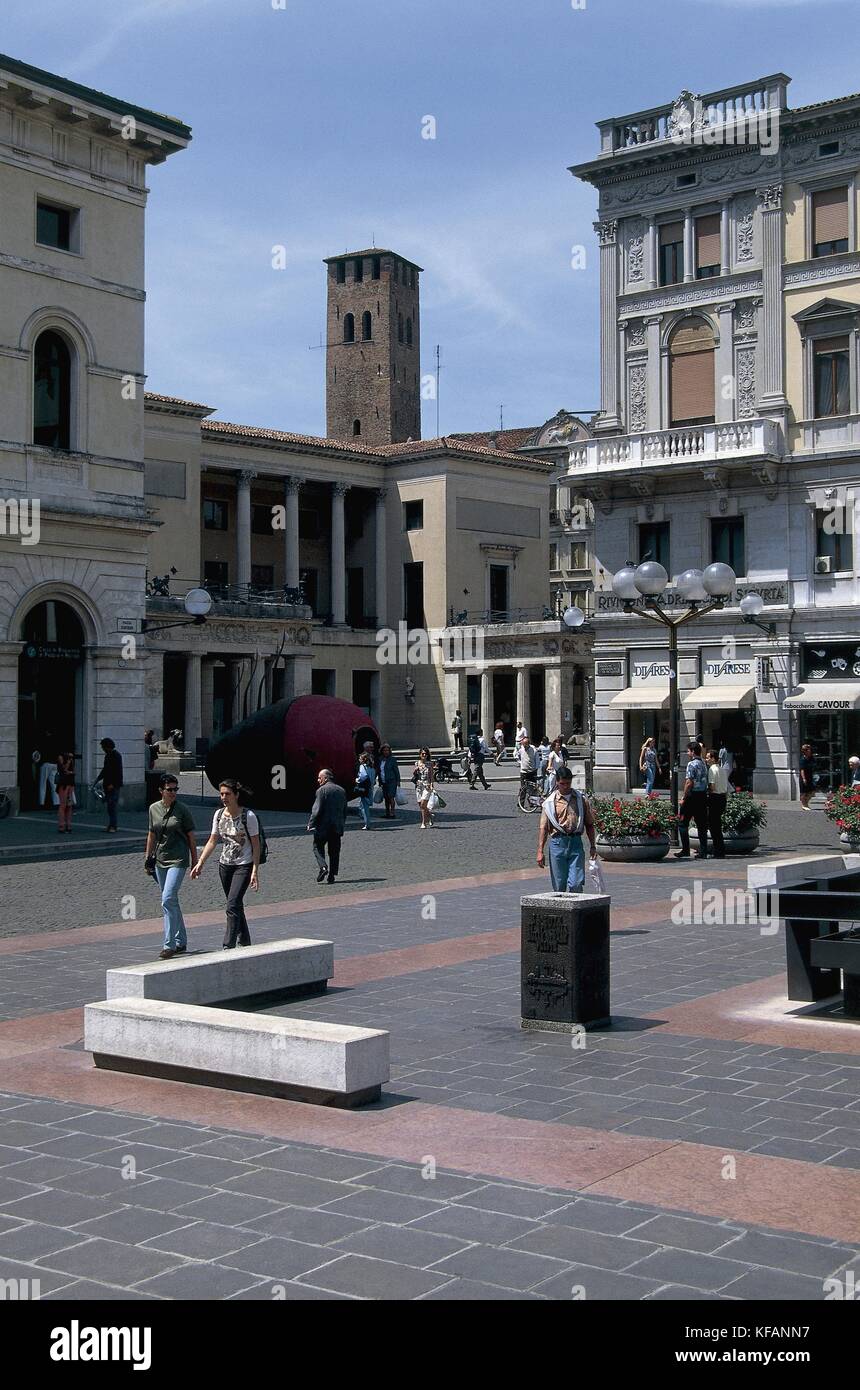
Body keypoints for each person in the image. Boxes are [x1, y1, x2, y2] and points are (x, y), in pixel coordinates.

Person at [191, 780, 260, 948]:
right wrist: (200, 862)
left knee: (232, 904)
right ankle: (245, 940)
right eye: (221, 794)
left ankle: (228, 944)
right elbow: (213, 840)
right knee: (235, 903)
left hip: (243, 864)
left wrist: (255, 871)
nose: (224, 797)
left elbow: (256, 845)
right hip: (225, 866)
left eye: (227, 794)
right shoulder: (219, 815)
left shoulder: (248, 816)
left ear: (236, 795)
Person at [145, 774, 198, 959]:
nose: (174, 792)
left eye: (176, 789)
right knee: (171, 900)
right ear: (161, 791)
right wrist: (148, 858)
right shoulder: (154, 809)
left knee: (167, 899)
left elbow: (191, 836)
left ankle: (169, 945)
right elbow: (151, 834)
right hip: (160, 860)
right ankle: (181, 940)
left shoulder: (183, 810)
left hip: (178, 859)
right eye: (170, 789)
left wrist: (195, 860)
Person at [536, 766, 598, 893]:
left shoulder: (580, 799)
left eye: (568, 783)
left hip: (576, 843)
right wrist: (540, 851)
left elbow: (589, 824)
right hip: (557, 843)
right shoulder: (550, 803)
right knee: (559, 885)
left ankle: (577, 912)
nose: (565, 786)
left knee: (576, 883)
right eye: (562, 783)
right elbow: (543, 827)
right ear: (557, 782)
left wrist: (592, 846)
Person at [307, 768, 346, 883]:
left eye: (320, 777)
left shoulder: (321, 791)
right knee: (334, 851)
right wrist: (341, 823)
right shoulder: (341, 790)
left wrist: (311, 824)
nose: (318, 780)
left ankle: (323, 867)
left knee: (317, 847)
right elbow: (344, 810)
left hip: (323, 827)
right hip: (336, 826)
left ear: (326, 778)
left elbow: (316, 809)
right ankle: (332, 875)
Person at [676, 741, 709, 859]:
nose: (687, 753)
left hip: (692, 796)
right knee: (701, 824)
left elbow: (689, 782)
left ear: (693, 751)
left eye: (688, 751)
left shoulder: (691, 764)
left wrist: (684, 797)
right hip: (702, 796)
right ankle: (704, 851)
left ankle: (685, 849)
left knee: (682, 823)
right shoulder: (704, 763)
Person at [94, 737, 124, 833]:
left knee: (112, 806)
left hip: (113, 785)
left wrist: (113, 784)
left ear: (107, 746)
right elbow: (105, 770)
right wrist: (98, 778)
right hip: (107, 783)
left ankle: (113, 826)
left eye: (103, 747)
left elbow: (118, 772)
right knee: (110, 806)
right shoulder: (108, 756)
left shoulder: (116, 755)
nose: (102, 749)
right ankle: (111, 825)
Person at [705, 748, 727, 859]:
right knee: (717, 826)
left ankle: (718, 851)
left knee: (714, 827)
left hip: (715, 798)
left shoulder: (712, 769)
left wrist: (707, 790)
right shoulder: (722, 769)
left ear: (713, 758)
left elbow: (712, 786)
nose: (706, 759)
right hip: (723, 798)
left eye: (708, 757)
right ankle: (720, 850)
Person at [413, 746, 435, 828]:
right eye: (422, 754)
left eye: (425, 754)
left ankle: (423, 823)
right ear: (420, 754)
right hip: (419, 785)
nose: (424, 755)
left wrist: (432, 784)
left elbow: (431, 776)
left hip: (427, 785)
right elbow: (415, 775)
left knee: (423, 803)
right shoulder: (417, 763)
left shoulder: (430, 764)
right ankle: (430, 815)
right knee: (421, 805)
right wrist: (415, 770)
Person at [377, 743, 400, 818]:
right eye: (384, 750)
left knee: (391, 797)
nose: (386, 752)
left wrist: (398, 781)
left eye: (387, 750)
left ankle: (392, 812)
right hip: (383, 781)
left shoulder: (392, 759)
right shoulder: (380, 759)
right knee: (386, 797)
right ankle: (387, 812)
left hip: (391, 781)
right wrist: (380, 781)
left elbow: (396, 771)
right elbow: (379, 770)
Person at [55, 751, 76, 833]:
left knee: (69, 805)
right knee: (63, 804)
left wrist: (70, 771)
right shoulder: (61, 758)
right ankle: (61, 825)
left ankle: (69, 824)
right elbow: (63, 770)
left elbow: (73, 772)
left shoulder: (71, 760)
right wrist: (68, 762)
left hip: (70, 783)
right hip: (63, 783)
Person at [355, 751, 376, 829]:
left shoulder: (362, 767)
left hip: (364, 788)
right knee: (365, 804)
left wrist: (357, 780)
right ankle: (366, 821)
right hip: (370, 788)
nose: (359, 760)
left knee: (364, 806)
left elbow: (363, 776)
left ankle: (367, 824)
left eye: (360, 759)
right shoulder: (372, 768)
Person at [518, 734, 539, 799]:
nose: (525, 747)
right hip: (523, 772)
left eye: (526, 745)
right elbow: (517, 755)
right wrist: (520, 762)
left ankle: (533, 802)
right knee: (523, 788)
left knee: (532, 788)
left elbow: (537, 760)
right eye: (523, 745)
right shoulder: (521, 750)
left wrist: (536, 769)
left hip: (532, 772)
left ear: (528, 744)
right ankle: (521, 803)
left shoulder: (534, 750)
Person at [799, 742, 815, 809]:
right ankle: (804, 805)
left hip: (810, 776)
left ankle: (806, 803)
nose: (810, 750)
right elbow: (802, 770)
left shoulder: (811, 758)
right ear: (805, 751)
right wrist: (804, 778)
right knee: (803, 792)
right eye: (808, 749)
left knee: (812, 792)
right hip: (804, 777)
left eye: (810, 749)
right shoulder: (803, 759)